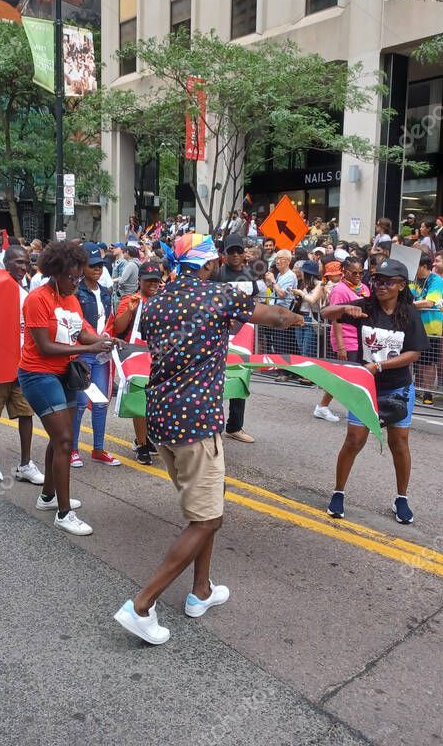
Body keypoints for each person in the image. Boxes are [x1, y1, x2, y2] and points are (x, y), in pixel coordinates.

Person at [112, 234, 304, 645]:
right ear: (209, 264)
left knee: (203, 510)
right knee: (208, 518)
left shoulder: (157, 301)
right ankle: (141, 605)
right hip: (196, 423)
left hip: (161, 419)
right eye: (216, 259)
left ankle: (201, 590)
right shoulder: (218, 296)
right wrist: (295, 318)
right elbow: (270, 316)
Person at [18, 242, 122, 536]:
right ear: (55, 273)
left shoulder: (72, 299)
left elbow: (83, 330)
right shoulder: (38, 299)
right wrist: (86, 346)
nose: (76, 282)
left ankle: (48, 497)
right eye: (71, 277)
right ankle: (64, 514)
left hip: (66, 374)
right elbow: (46, 347)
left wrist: (104, 340)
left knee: (59, 438)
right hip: (38, 374)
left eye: (78, 277)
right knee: (64, 440)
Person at [320, 259, 428, 524]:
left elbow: (414, 352)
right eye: (377, 280)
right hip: (365, 387)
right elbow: (326, 314)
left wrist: (379, 365)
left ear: (401, 286)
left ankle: (401, 498)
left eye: (388, 281)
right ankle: (338, 492)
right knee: (354, 440)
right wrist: (346, 307)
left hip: (398, 388)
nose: (380, 285)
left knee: (399, 444)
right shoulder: (366, 306)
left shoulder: (410, 313)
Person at [0, 246, 45, 486]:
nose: (23, 268)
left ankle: (25, 464)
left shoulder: (28, 292)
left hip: (22, 365)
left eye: (26, 263)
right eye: (18, 263)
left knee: (26, 412)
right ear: (5, 263)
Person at [70, 243, 121, 468]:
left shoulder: (106, 291)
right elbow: (76, 326)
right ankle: (72, 449)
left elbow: (109, 320)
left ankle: (98, 449)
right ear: (82, 268)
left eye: (99, 265)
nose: (97, 269)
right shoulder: (75, 292)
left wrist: (110, 338)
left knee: (100, 403)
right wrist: (97, 341)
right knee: (80, 403)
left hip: (102, 354)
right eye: (92, 266)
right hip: (83, 353)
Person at [111, 261, 164, 464]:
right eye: (148, 281)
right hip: (135, 355)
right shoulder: (130, 300)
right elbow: (118, 327)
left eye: (156, 281)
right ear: (139, 281)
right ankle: (141, 444)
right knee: (140, 398)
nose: (153, 284)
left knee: (153, 400)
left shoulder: (162, 299)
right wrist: (130, 310)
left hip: (158, 355)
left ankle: (145, 437)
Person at [213, 234, 260, 443]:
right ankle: (213, 426)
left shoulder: (251, 274)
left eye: (238, 251)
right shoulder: (217, 274)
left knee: (241, 377)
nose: (234, 255)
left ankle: (235, 426)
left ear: (244, 253)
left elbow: (255, 300)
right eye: (230, 251)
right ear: (224, 254)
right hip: (220, 333)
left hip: (243, 335)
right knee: (216, 379)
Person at [314, 257, 367, 422]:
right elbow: (335, 318)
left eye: (361, 273)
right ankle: (323, 407)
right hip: (346, 337)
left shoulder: (364, 287)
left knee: (353, 376)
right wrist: (341, 346)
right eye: (354, 273)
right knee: (345, 376)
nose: (358, 276)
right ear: (345, 272)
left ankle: (323, 407)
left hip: (362, 338)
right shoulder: (339, 290)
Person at [410, 254, 443, 405]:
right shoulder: (412, 279)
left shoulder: (436, 280)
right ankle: (414, 389)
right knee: (413, 358)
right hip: (412, 325)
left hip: (431, 326)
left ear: (424, 267)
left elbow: (430, 302)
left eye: (416, 265)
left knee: (428, 362)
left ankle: (428, 392)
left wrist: (408, 305)